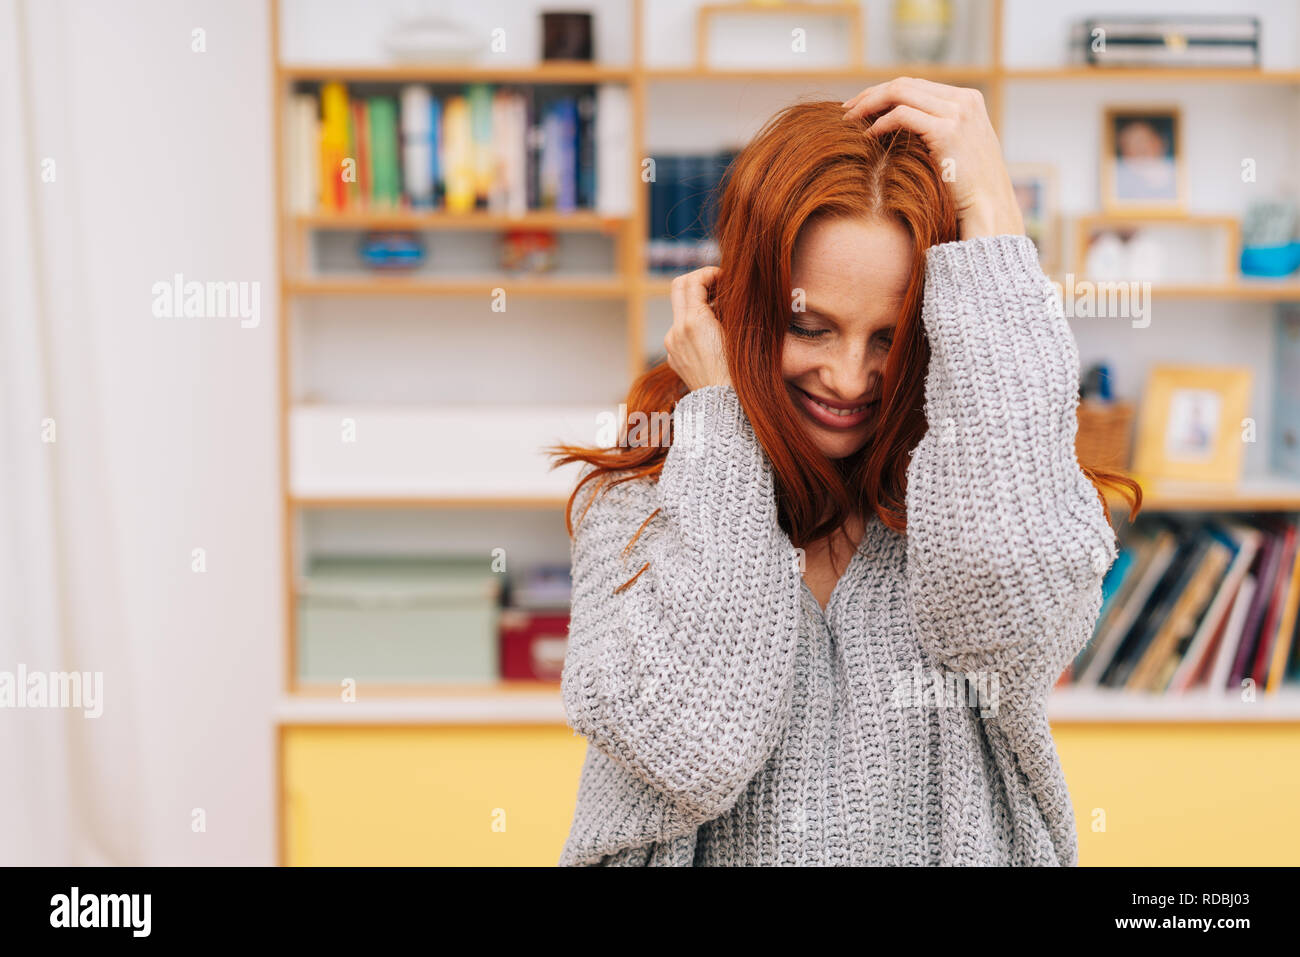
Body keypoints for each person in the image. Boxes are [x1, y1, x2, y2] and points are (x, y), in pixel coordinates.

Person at [546, 78, 1142, 866]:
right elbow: (693, 745)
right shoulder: (638, 508)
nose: (851, 378)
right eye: (809, 327)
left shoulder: (979, 490)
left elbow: (1009, 607)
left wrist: (995, 225)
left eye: (889, 337)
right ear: (741, 306)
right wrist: (722, 428)